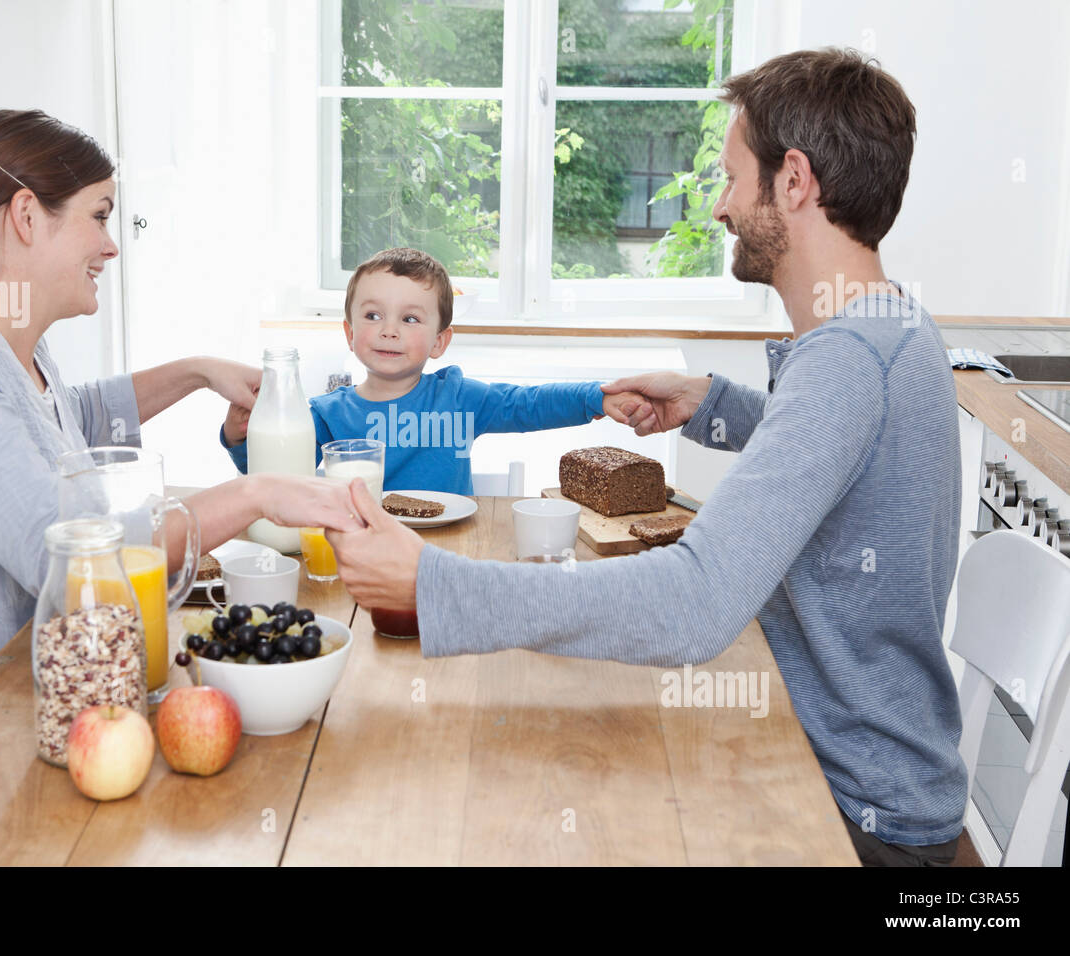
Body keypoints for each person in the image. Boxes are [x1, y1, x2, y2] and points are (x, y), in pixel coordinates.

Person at [327, 49, 967, 867]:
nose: (721, 210)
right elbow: (843, 456)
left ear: (795, 181)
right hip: (861, 764)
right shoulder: (890, 328)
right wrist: (715, 406)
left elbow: (694, 604)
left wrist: (435, 585)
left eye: (733, 180)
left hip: (851, 812)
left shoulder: (844, 360)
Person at [0, 109, 357, 833]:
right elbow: (62, 550)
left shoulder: (3, 344)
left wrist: (195, 372)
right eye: (99, 217)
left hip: (5, 712)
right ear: (27, 217)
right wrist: (257, 493)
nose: (109, 246)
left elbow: (73, 421)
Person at [219, 248, 639, 493]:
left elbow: (529, 405)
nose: (388, 331)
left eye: (410, 319)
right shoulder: (325, 415)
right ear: (349, 333)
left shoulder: (458, 398)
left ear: (440, 341)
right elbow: (274, 475)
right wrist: (239, 438)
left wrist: (596, 396)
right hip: (361, 557)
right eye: (372, 315)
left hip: (447, 557)